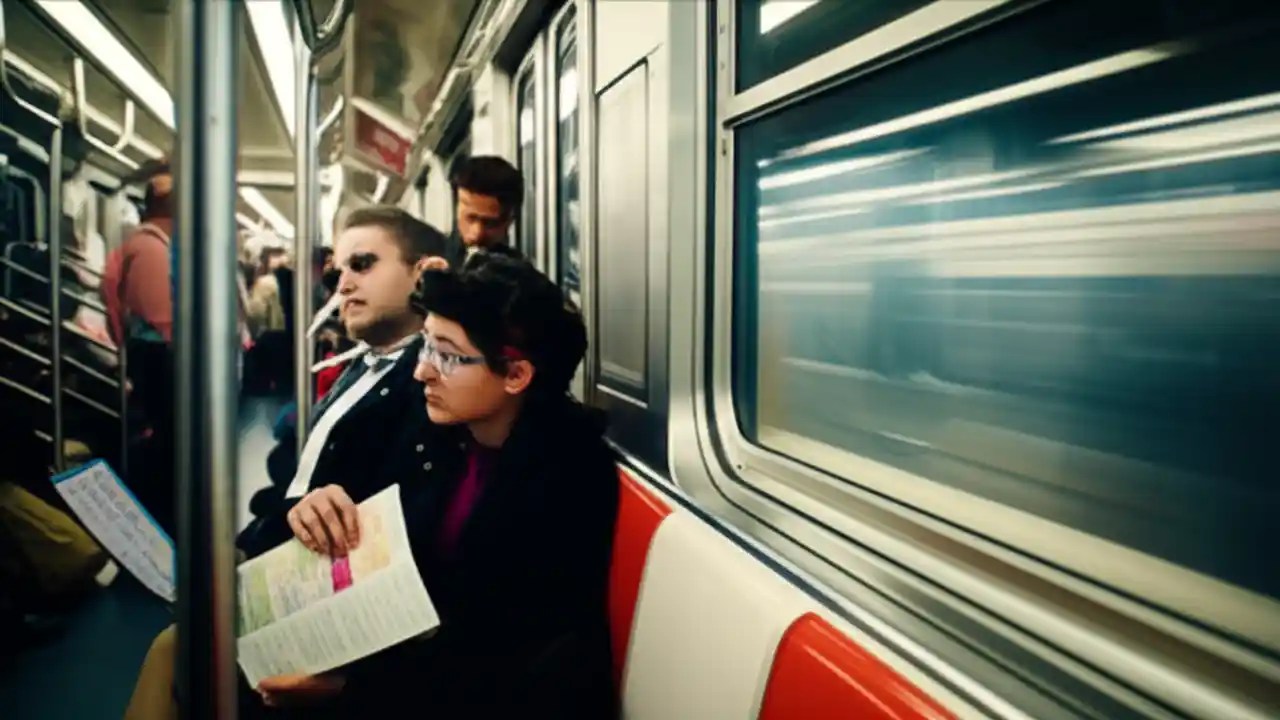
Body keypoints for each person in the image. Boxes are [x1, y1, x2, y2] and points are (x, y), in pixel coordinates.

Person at [125, 254, 619, 720]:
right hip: (400, 660)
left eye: (446, 356)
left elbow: (513, 655)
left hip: (462, 696)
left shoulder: (567, 478)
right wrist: (315, 505)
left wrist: (347, 692)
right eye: (425, 344)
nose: (423, 370)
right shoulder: (443, 438)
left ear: (515, 374)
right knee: (181, 645)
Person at [238, 206, 450, 555]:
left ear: (422, 273)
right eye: (336, 274)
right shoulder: (363, 366)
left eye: (363, 265)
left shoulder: (428, 387)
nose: (343, 286)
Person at [445, 155, 524, 270]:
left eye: (490, 223)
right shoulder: (428, 261)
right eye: (470, 218)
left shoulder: (524, 280)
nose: (477, 233)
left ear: (509, 220)